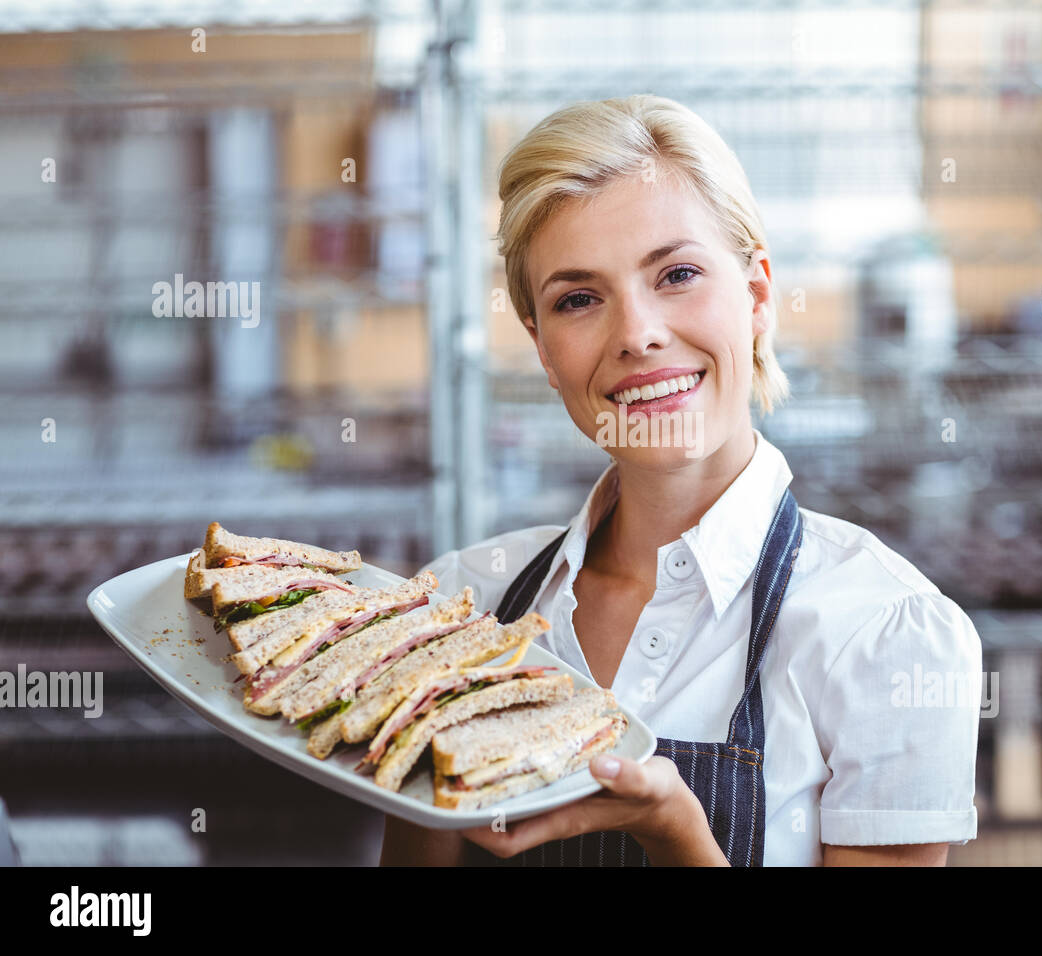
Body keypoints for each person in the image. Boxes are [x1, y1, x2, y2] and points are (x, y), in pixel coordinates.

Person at [381, 94, 981, 867]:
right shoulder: (456, 616)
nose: (637, 334)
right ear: (540, 343)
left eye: (678, 274)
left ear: (758, 295)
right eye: (579, 299)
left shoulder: (887, 637)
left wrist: (676, 836)